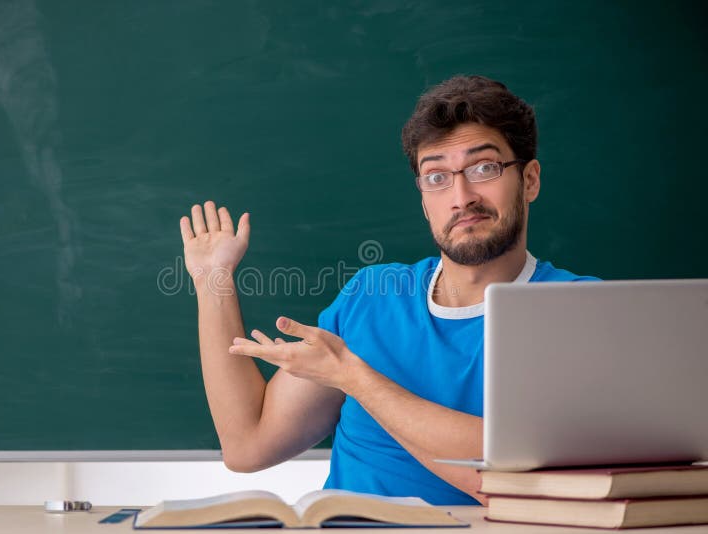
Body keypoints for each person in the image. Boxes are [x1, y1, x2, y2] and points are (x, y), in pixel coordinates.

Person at [179, 75, 598, 505]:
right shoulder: (373, 296)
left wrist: (355, 377)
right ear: (422, 199)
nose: (461, 196)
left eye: (483, 168)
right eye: (436, 176)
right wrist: (214, 280)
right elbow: (248, 445)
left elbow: (523, 482)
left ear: (529, 180)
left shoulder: (581, 312)